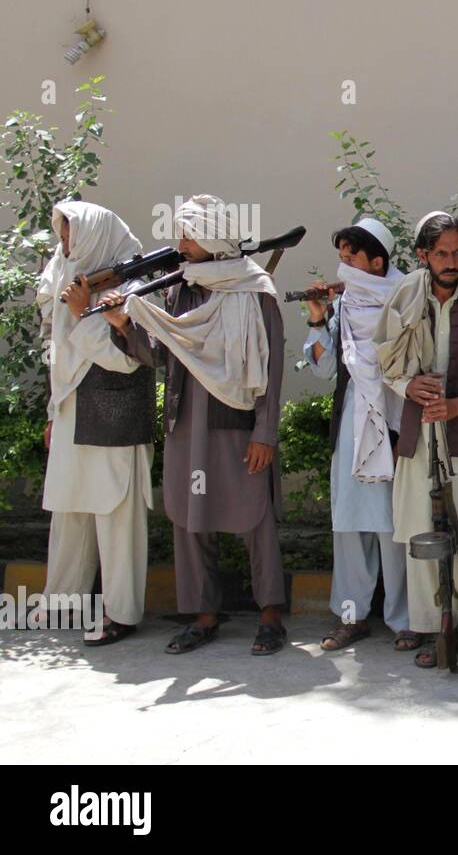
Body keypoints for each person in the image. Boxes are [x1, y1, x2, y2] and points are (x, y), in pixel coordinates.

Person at [102, 194, 287, 655]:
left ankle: (270, 615)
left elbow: (272, 366)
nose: (180, 245)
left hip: (236, 422)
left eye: (189, 235)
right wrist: (124, 325)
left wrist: (265, 432)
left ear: (212, 238)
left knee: (256, 517)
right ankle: (203, 616)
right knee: (189, 518)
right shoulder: (179, 290)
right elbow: (162, 355)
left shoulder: (254, 290)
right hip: (187, 422)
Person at [377, 211, 458, 671]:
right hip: (419, 440)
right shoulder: (404, 300)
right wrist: (406, 386)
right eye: (441, 254)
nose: (451, 262)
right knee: (423, 537)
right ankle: (437, 632)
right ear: (423, 255)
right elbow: (386, 364)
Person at [37, 202, 155, 645]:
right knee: (69, 511)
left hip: (116, 414)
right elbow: (60, 357)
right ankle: (62, 602)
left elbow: (128, 360)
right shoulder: (72, 282)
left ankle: (120, 612)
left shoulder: (138, 286)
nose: (66, 245)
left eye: (73, 236)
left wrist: (82, 313)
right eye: (63, 236)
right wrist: (54, 410)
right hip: (72, 412)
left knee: (115, 515)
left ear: (95, 237)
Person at [302, 218, 417, 651]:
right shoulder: (344, 307)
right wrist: (318, 320)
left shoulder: (407, 300)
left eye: (351, 259)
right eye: (341, 259)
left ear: (377, 262)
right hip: (353, 427)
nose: (343, 267)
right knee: (350, 526)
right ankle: (351, 617)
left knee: (395, 527)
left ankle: (407, 620)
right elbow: (324, 369)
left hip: (395, 426)